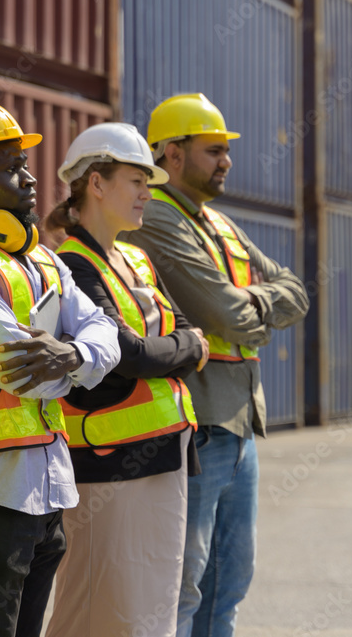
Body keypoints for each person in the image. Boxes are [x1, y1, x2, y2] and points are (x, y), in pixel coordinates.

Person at [0, 97, 120, 637]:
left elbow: (104, 330)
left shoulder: (40, 257)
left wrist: (76, 354)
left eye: (26, 165)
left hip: (49, 488)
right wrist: (80, 362)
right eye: (10, 168)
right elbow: (18, 369)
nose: (30, 180)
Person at [122, 93, 310, 637]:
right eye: (214, 150)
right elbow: (224, 314)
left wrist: (249, 307)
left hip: (241, 425)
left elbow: (295, 290)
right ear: (173, 155)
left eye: (226, 150)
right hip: (200, 427)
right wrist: (255, 308)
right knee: (185, 584)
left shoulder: (220, 224)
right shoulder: (156, 218)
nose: (226, 160)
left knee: (231, 579)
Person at [44, 122, 208, 637]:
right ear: (96, 182)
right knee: (101, 610)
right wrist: (189, 349)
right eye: (136, 180)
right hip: (109, 467)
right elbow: (127, 353)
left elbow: (174, 331)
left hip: (165, 454)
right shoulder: (73, 265)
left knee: (149, 610)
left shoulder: (134, 258)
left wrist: (179, 346)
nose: (146, 194)